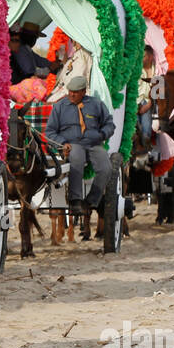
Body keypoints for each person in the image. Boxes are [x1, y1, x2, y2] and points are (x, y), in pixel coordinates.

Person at [45, 75, 115, 240]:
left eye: (76, 92)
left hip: (94, 143)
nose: (72, 95)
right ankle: (75, 200)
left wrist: (102, 134)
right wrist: (63, 143)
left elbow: (109, 124)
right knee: (76, 158)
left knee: (106, 167)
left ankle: (91, 201)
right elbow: (50, 132)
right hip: (72, 144)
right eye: (70, 91)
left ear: (84, 91)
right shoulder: (60, 107)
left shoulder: (96, 104)